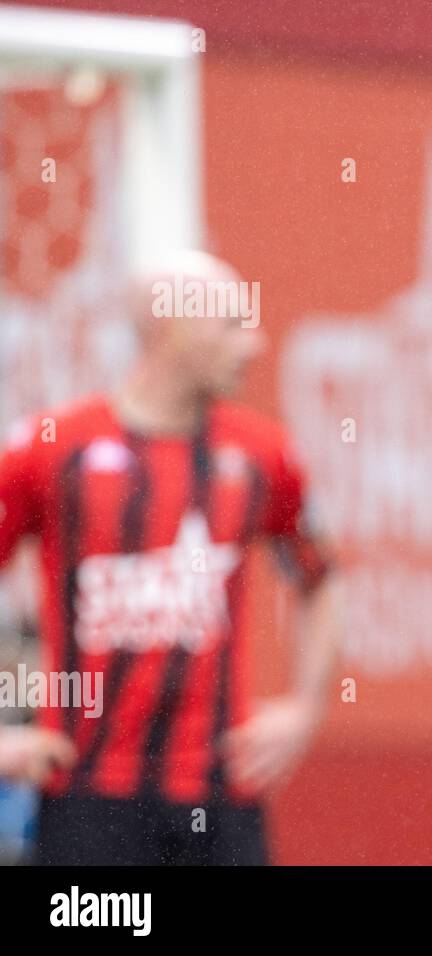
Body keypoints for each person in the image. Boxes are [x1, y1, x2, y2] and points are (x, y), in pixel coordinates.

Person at [0, 249, 339, 865]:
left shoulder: (265, 454)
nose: (255, 344)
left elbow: (321, 577)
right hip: (86, 799)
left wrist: (306, 706)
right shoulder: (52, 450)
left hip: (221, 797)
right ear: (170, 327)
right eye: (232, 324)